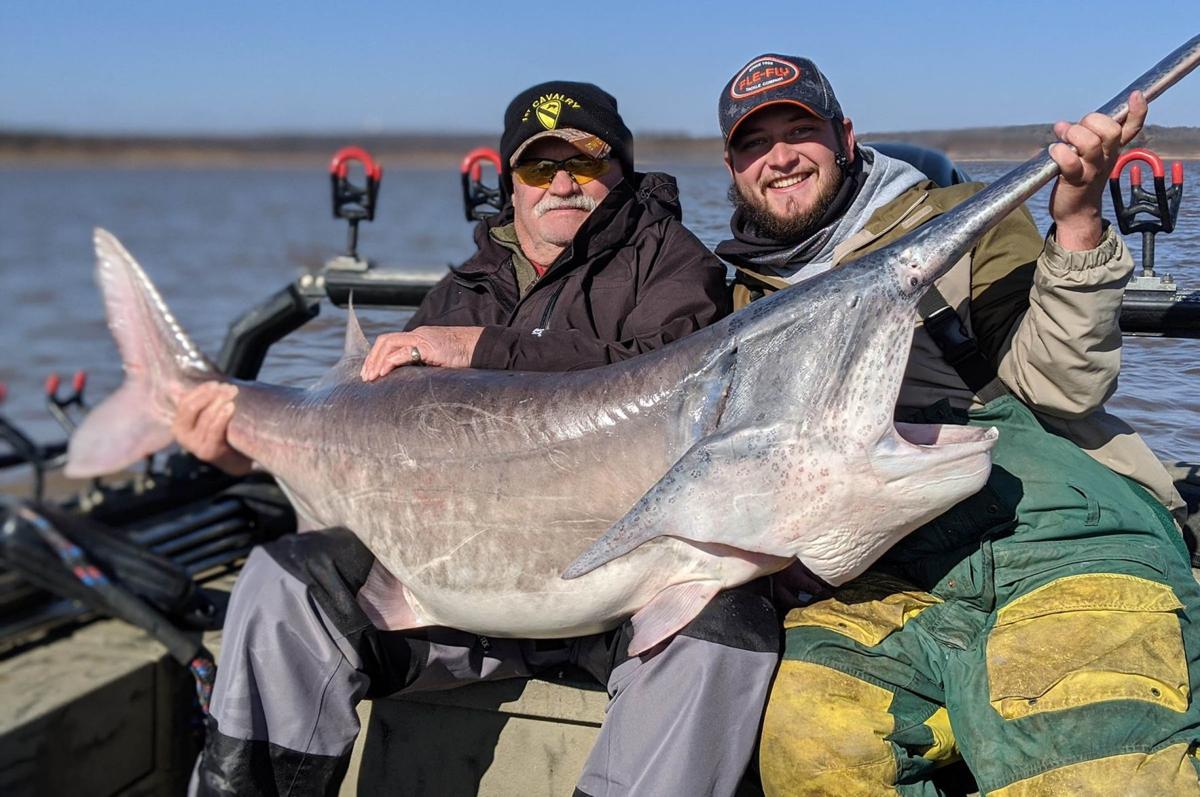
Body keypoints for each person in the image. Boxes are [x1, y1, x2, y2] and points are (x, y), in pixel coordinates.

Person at [178, 81, 779, 797]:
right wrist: (238, 448)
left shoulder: (675, 266)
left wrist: (485, 348)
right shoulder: (463, 286)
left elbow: (670, 383)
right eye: (536, 167)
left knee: (730, 628)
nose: (561, 182)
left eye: (584, 160)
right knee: (283, 581)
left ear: (619, 168)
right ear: (510, 184)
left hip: (621, 591)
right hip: (449, 595)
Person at [714, 55, 1200, 795]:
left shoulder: (961, 219)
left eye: (799, 130)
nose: (779, 156)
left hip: (1053, 529)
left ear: (845, 137)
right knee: (809, 741)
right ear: (733, 165)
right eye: (756, 142)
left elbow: (1062, 390)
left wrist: (1075, 222)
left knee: (1090, 759)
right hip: (888, 571)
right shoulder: (739, 300)